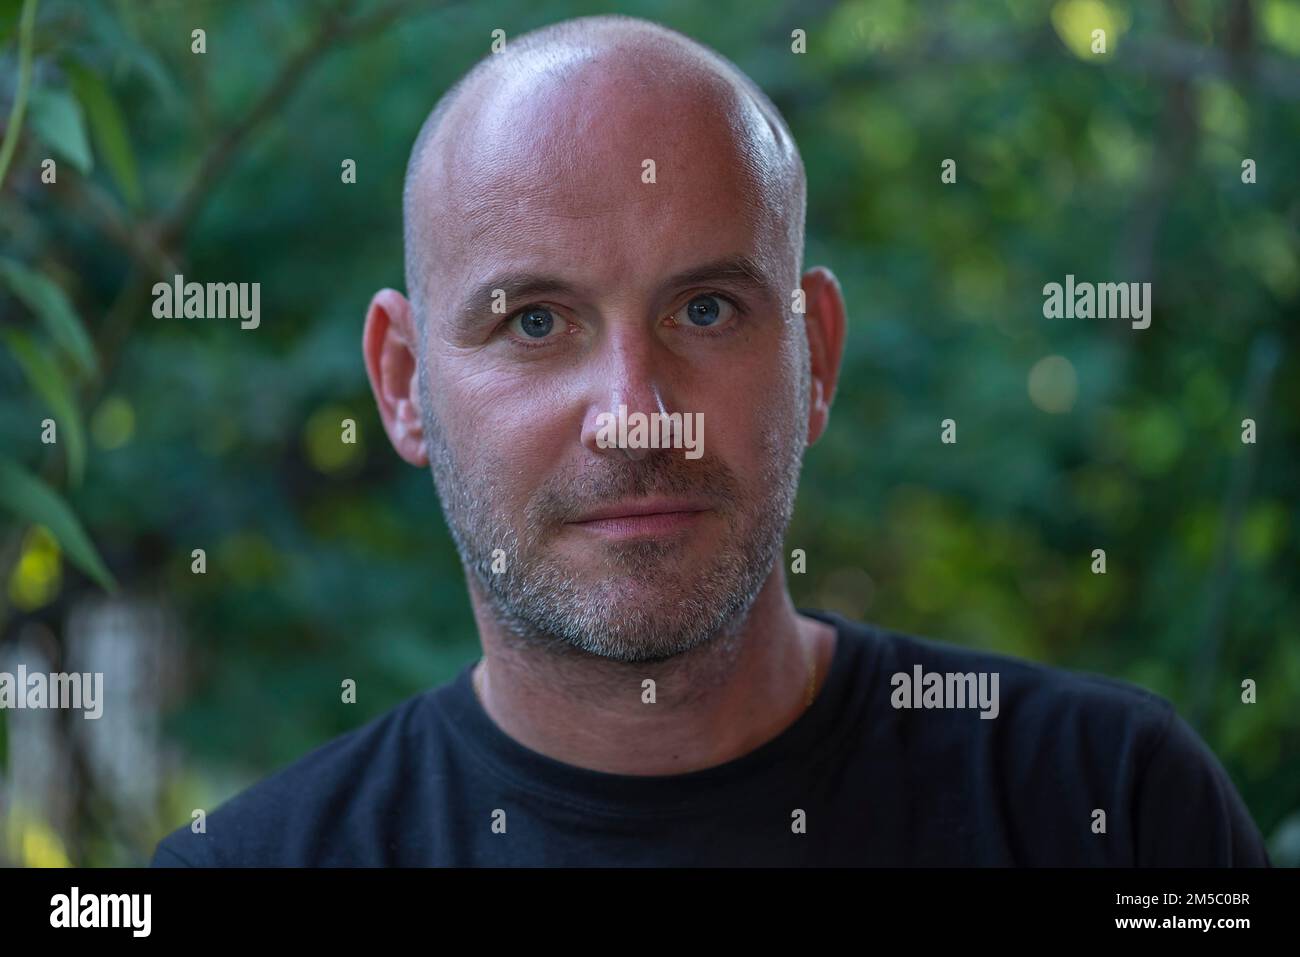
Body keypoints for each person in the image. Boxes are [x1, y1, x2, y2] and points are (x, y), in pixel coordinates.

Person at [152, 14, 1269, 867]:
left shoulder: (1110, 809)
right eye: (534, 323)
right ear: (401, 384)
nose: (636, 414)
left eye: (704, 311)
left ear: (815, 355)